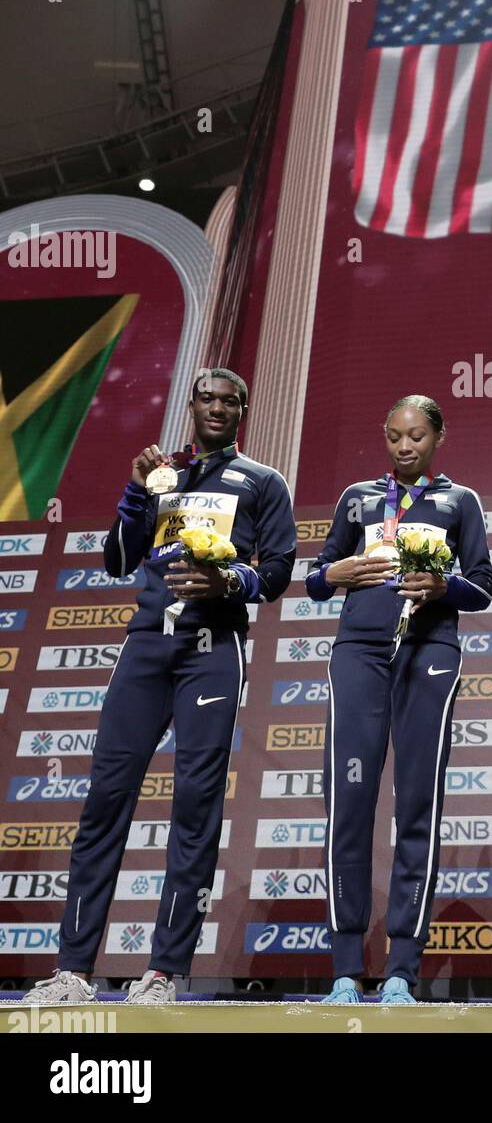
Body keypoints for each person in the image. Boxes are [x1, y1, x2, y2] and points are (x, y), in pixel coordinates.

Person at [25, 369, 296, 1005]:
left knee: (195, 808)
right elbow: (118, 559)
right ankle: (72, 970)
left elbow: (279, 571)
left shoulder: (262, 481)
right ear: (192, 406)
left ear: (244, 411)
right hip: (146, 647)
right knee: (106, 799)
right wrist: (134, 490)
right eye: (208, 398)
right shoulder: (161, 474)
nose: (219, 408)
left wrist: (228, 584)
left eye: (231, 401)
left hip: (213, 651)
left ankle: (164, 972)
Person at [305, 394, 492, 1005]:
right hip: (359, 653)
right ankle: (342, 968)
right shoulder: (357, 498)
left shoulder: (459, 501)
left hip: (429, 651)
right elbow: (316, 576)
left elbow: (483, 588)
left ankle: (400, 972)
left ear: (439, 436)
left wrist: (443, 586)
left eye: (415, 436)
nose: (404, 447)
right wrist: (335, 574)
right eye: (393, 437)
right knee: (349, 807)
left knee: (417, 805)